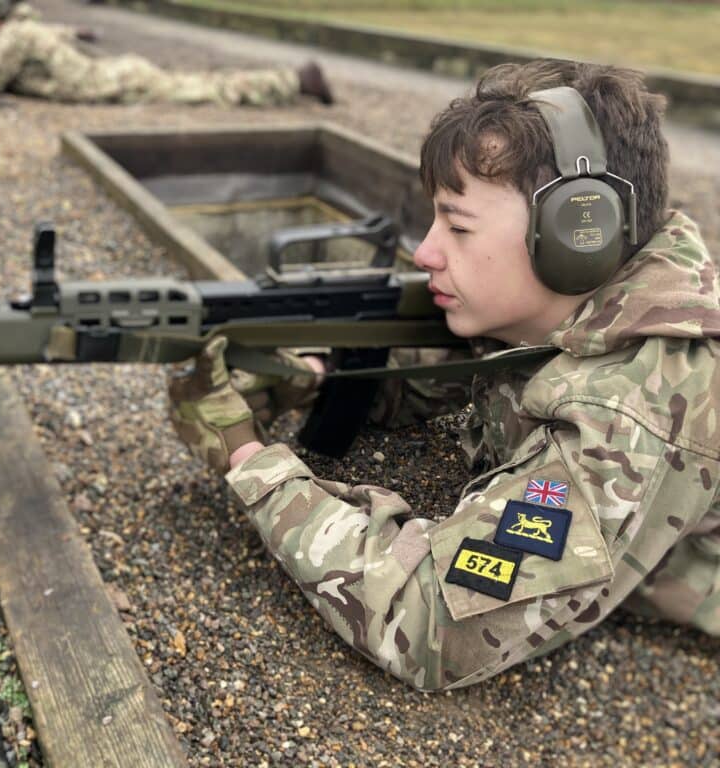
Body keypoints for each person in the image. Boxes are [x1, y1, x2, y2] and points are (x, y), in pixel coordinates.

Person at [168, 59, 720, 690]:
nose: (426, 252)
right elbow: (489, 370)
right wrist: (317, 377)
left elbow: (434, 626)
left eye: (457, 226)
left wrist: (249, 459)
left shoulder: (637, 409)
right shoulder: (588, 301)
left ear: (576, 234)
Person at [0, 0, 333, 106]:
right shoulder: (26, 27)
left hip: (114, 82)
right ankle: (293, 80)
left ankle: (294, 80)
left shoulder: (12, 36)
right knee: (202, 84)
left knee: (210, 90)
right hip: (119, 72)